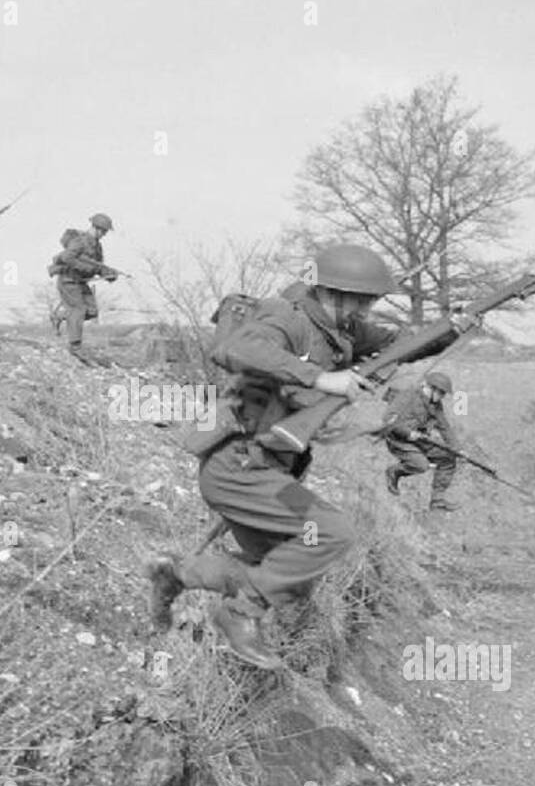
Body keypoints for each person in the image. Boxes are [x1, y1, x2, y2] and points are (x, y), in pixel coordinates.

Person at [146, 245, 467, 668]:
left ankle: (177, 574)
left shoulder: (343, 329)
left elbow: (401, 346)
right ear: (335, 293)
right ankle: (239, 614)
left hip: (271, 473)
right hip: (238, 467)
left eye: (371, 302)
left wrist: (453, 328)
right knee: (331, 531)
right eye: (363, 300)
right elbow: (236, 349)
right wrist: (322, 378)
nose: (367, 310)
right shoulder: (289, 317)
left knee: (294, 569)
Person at [384, 372, 459, 511]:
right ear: (432, 388)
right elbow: (388, 420)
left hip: (419, 438)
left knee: (448, 458)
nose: (442, 396)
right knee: (421, 465)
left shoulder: (435, 404)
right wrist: (407, 432)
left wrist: (456, 448)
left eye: (443, 393)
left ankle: (437, 500)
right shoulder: (408, 396)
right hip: (398, 439)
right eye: (441, 393)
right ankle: (395, 472)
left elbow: (444, 426)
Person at [49, 213, 116, 363]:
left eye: (105, 232)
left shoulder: (97, 246)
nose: (104, 235)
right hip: (68, 280)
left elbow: (98, 265)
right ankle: (75, 347)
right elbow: (66, 258)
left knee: (92, 312)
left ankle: (60, 317)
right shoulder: (79, 241)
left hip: (80, 281)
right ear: (96, 228)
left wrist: (108, 274)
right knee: (78, 310)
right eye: (103, 231)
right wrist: (84, 268)